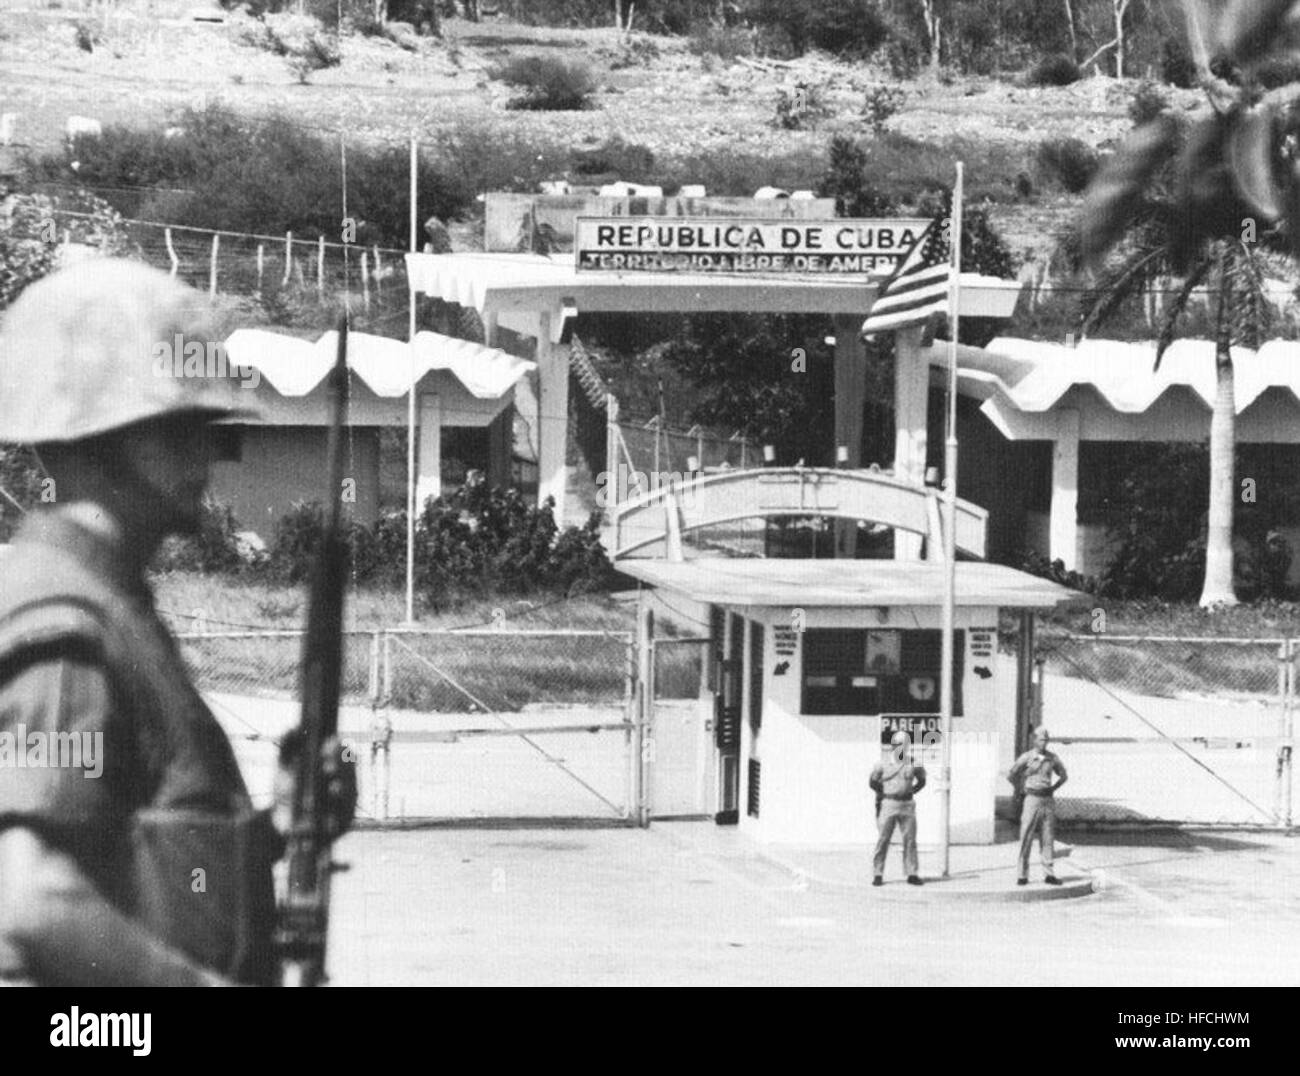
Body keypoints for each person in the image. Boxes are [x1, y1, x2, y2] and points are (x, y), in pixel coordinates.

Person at [0, 259, 349, 986]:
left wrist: (281, 826)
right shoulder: (65, 625)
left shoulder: (110, 603)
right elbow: (28, 899)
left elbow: (136, 855)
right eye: (179, 428)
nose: (208, 454)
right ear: (101, 437)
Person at [1008, 727, 1069, 886]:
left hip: (1047, 800)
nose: (1044, 742)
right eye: (1041, 739)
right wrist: (1020, 789)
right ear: (1034, 740)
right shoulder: (1027, 757)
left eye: (1046, 740)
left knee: (1048, 837)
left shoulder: (1052, 758)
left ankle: (1049, 873)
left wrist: (1053, 788)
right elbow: (1011, 774)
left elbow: (1063, 776)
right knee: (1026, 836)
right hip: (1032, 799)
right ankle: (1022, 874)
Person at [869, 729, 926, 887]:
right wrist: (885, 793)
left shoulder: (913, 763)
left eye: (905, 744)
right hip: (889, 804)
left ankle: (912, 873)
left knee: (910, 840)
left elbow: (922, 780)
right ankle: (878, 873)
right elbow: (872, 782)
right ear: (893, 745)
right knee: (883, 839)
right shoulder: (882, 763)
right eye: (898, 743)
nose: (901, 746)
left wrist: (911, 791)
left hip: (907, 805)